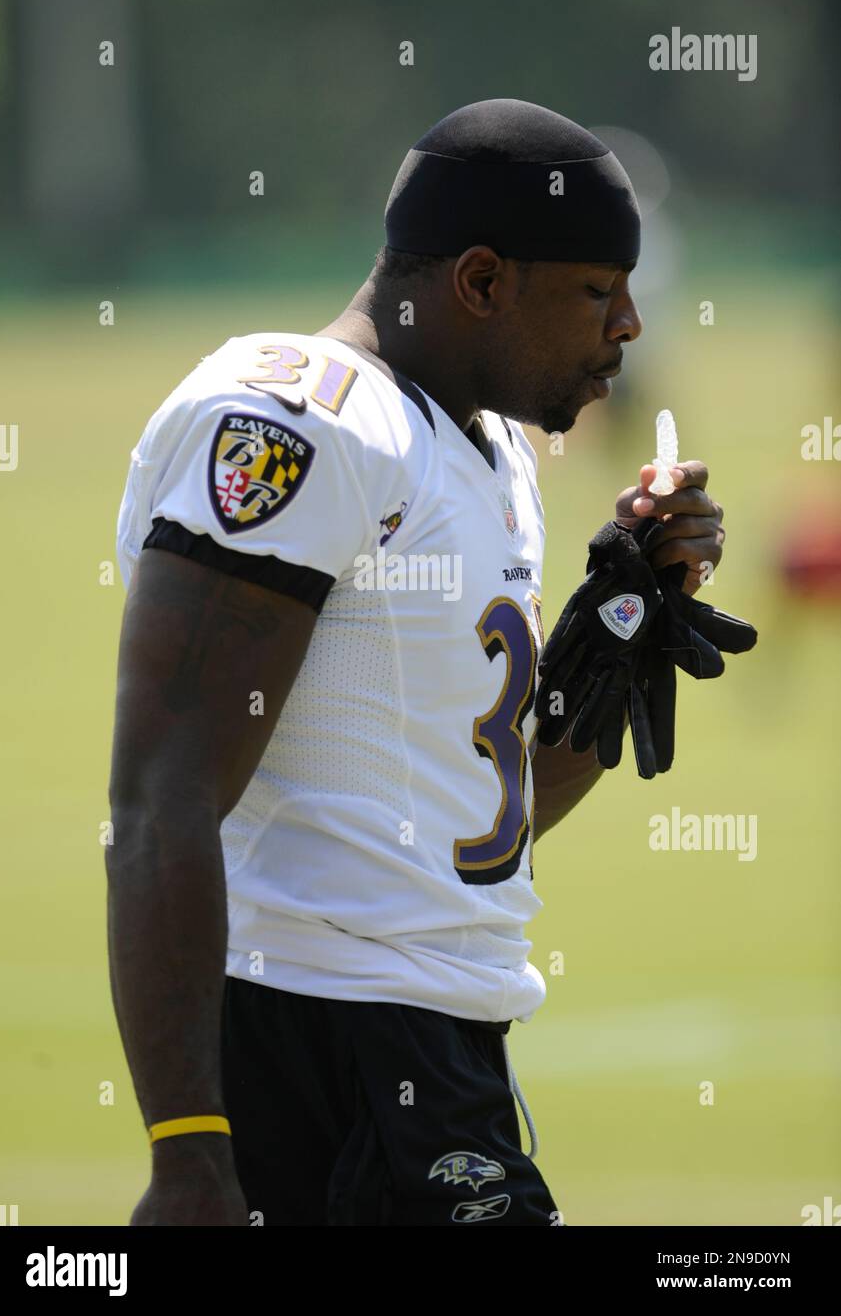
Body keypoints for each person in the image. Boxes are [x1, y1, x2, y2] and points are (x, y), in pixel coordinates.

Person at [108, 98, 726, 1226]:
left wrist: (625, 627)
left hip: (442, 1049)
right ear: (481, 281)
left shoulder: (490, 448)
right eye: (598, 289)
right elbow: (162, 793)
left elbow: (482, 819)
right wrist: (189, 1147)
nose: (631, 325)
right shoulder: (299, 421)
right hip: (316, 1038)